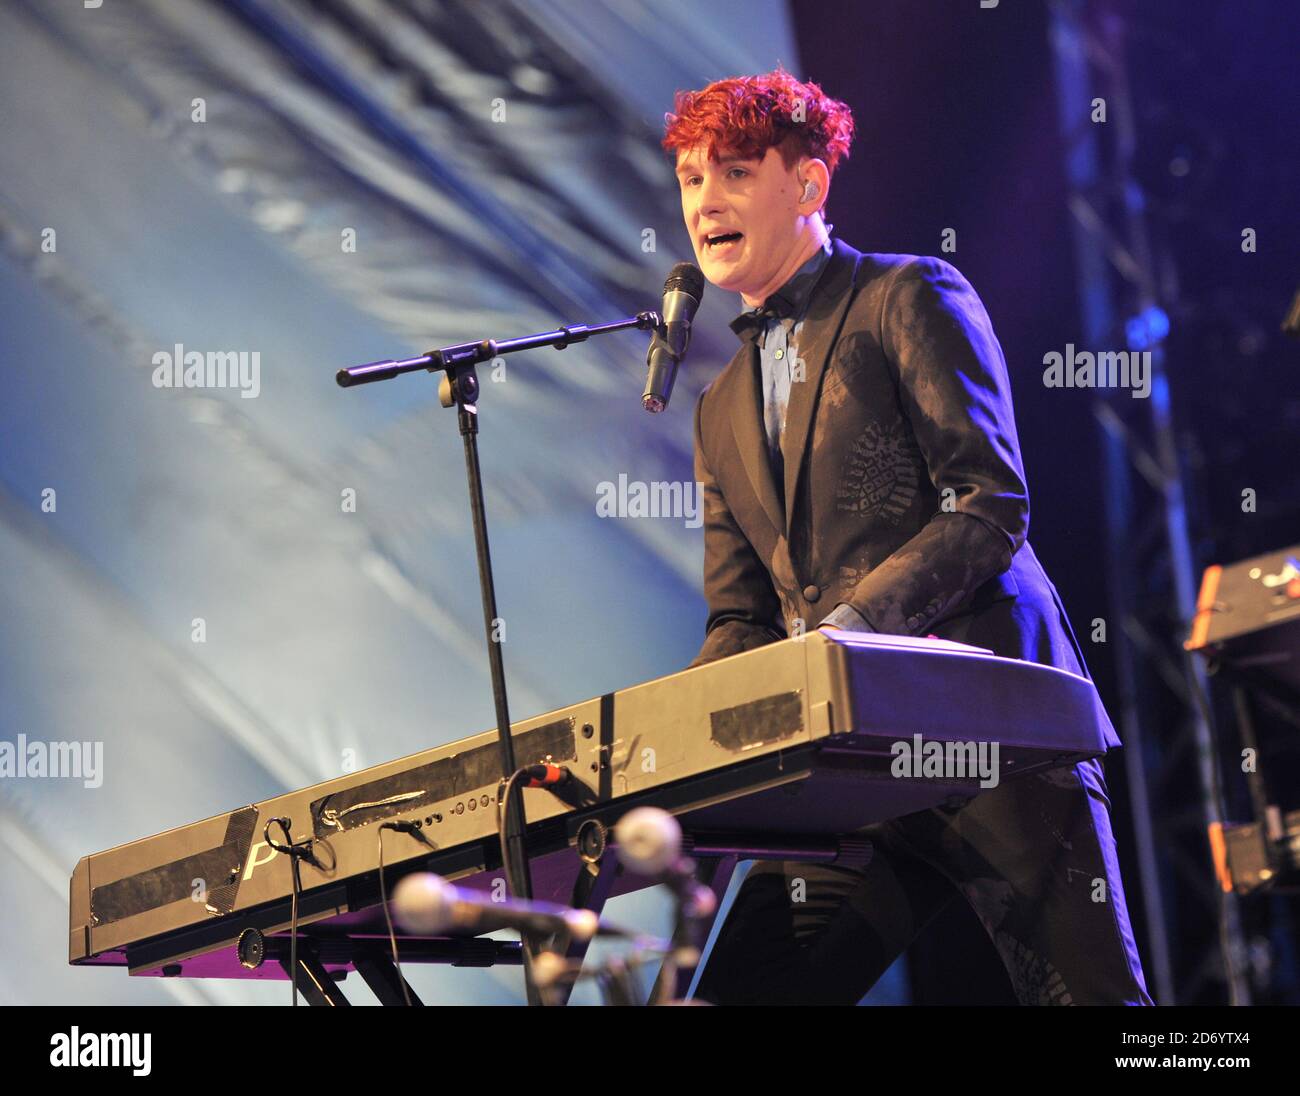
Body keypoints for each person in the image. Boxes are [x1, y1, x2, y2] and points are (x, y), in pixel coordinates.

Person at [663, 67, 1153, 1005]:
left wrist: (846, 634)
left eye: (731, 171)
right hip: (847, 768)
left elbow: (987, 505)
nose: (703, 202)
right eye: (689, 179)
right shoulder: (717, 408)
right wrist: (672, 747)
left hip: (990, 731)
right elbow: (739, 617)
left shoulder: (907, 294)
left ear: (807, 185)